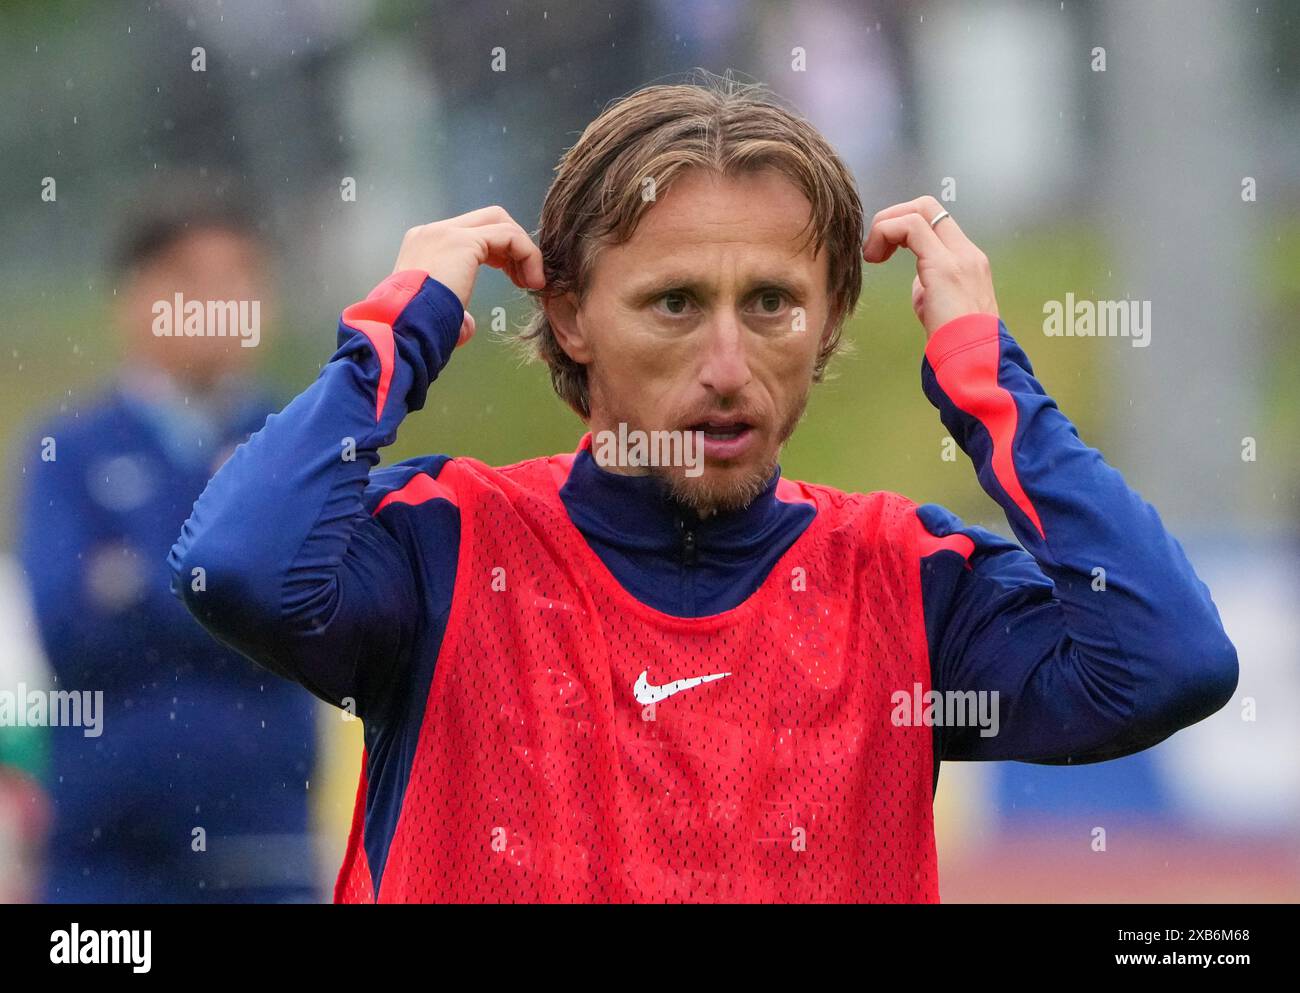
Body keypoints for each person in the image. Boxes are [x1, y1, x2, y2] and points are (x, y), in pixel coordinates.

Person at [170, 78, 1237, 903]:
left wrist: (987, 384)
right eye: (674, 304)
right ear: (575, 317)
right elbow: (237, 568)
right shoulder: (446, 546)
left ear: (825, 325)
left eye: (771, 303)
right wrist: (393, 340)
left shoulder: (906, 583)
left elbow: (1169, 664)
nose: (727, 363)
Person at [19, 188, 319, 902]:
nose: (217, 302)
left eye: (239, 277)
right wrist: (226, 585)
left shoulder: (299, 441)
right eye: (189, 278)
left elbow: (307, 615)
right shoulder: (69, 448)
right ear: (135, 296)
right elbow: (66, 631)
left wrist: (134, 583)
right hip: (103, 857)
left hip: (265, 848)